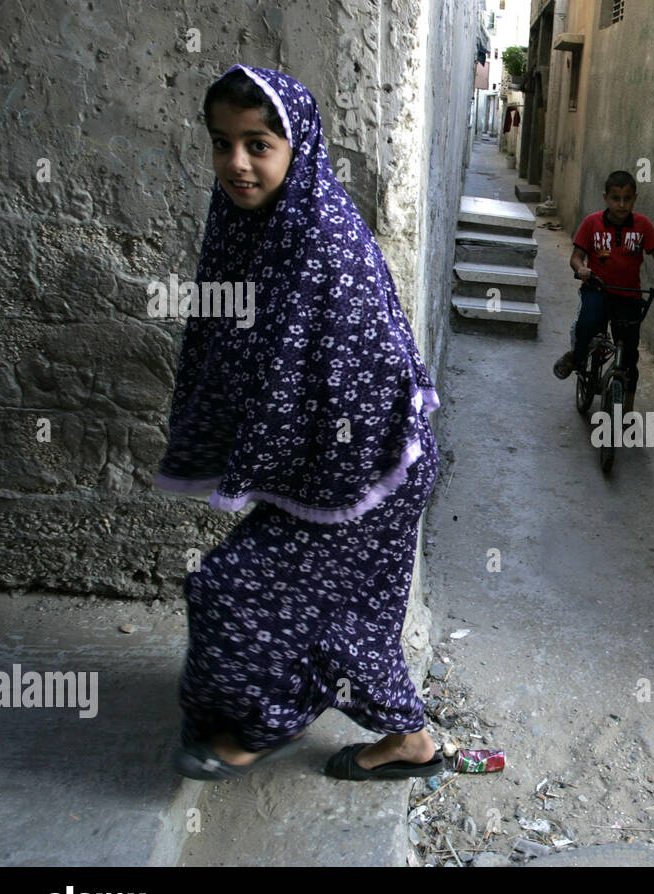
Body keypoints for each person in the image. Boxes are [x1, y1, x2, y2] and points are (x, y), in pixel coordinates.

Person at [155, 65, 444, 781]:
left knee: (234, 586)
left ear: (298, 145)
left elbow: (360, 387)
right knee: (347, 618)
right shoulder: (250, 221)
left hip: (372, 468)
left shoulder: (322, 241)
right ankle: (409, 742)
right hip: (348, 467)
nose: (237, 164)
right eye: (222, 144)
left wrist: (320, 502)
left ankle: (254, 729)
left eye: (259, 144)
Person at [552, 171, 654, 414]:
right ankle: (577, 358)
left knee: (629, 354)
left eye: (627, 199)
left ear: (635, 199)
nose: (621, 205)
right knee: (587, 326)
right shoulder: (592, 223)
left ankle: (628, 411)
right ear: (606, 198)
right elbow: (576, 256)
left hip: (629, 295)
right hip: (597, 290)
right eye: (615, 198)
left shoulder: (642, 225)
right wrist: (581, 269)